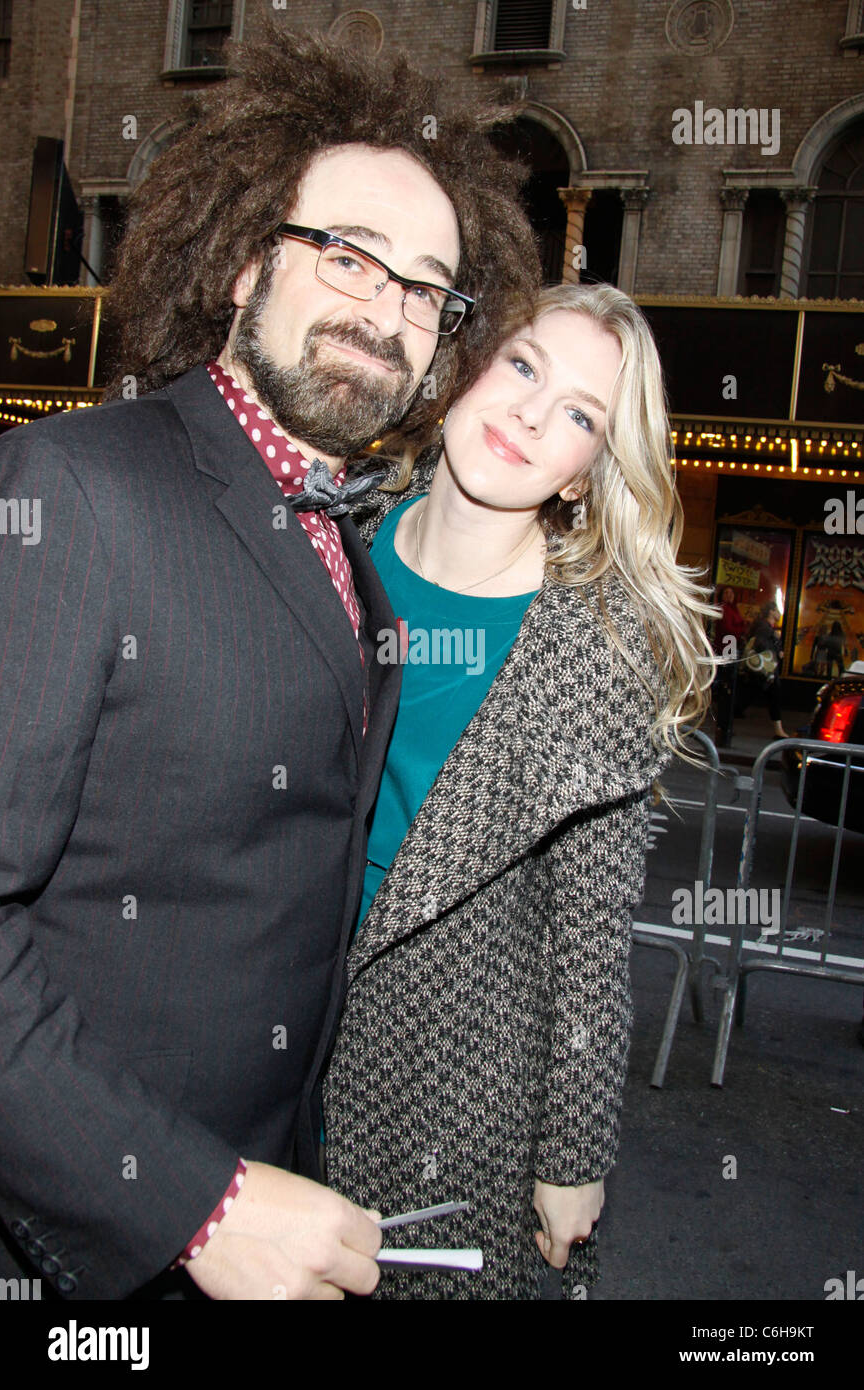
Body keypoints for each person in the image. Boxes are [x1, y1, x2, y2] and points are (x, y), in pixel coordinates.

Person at [0, 26, 539, 1300]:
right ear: (245, 265)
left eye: (426, 288)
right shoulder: (73, 490)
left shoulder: (343, 541)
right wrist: (187, 1202)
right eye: (347, 254)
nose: (385, 310)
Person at [322, 282, 716, 1300]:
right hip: (264, 1033)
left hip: (454, 1093)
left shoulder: (596, 656)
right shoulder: (330, 532)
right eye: (523, 366)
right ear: (463, 370)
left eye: (580, 414)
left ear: (587, 472)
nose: (533, 415)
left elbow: (590, 935)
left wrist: (572, 1155)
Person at [741, 601, 788, 739]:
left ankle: (779, 730)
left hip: (766, 669)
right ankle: (778, 731)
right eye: (777, 610)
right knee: (771, 695)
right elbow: (760, 644)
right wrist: (776, 649)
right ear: (771, 612)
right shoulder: (764, 627)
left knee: (766, 695)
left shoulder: (766, 627)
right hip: (766, 669)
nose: (779, 613)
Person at [711, 585, 747, 744]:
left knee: (728, 679)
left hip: (731, 642)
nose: (729, 595)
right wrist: (740, 630)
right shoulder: (724, 609)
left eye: (731, 592)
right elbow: (727, 628)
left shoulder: (734, 609)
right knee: (727, 679)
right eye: (726, 592)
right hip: (728, 643)